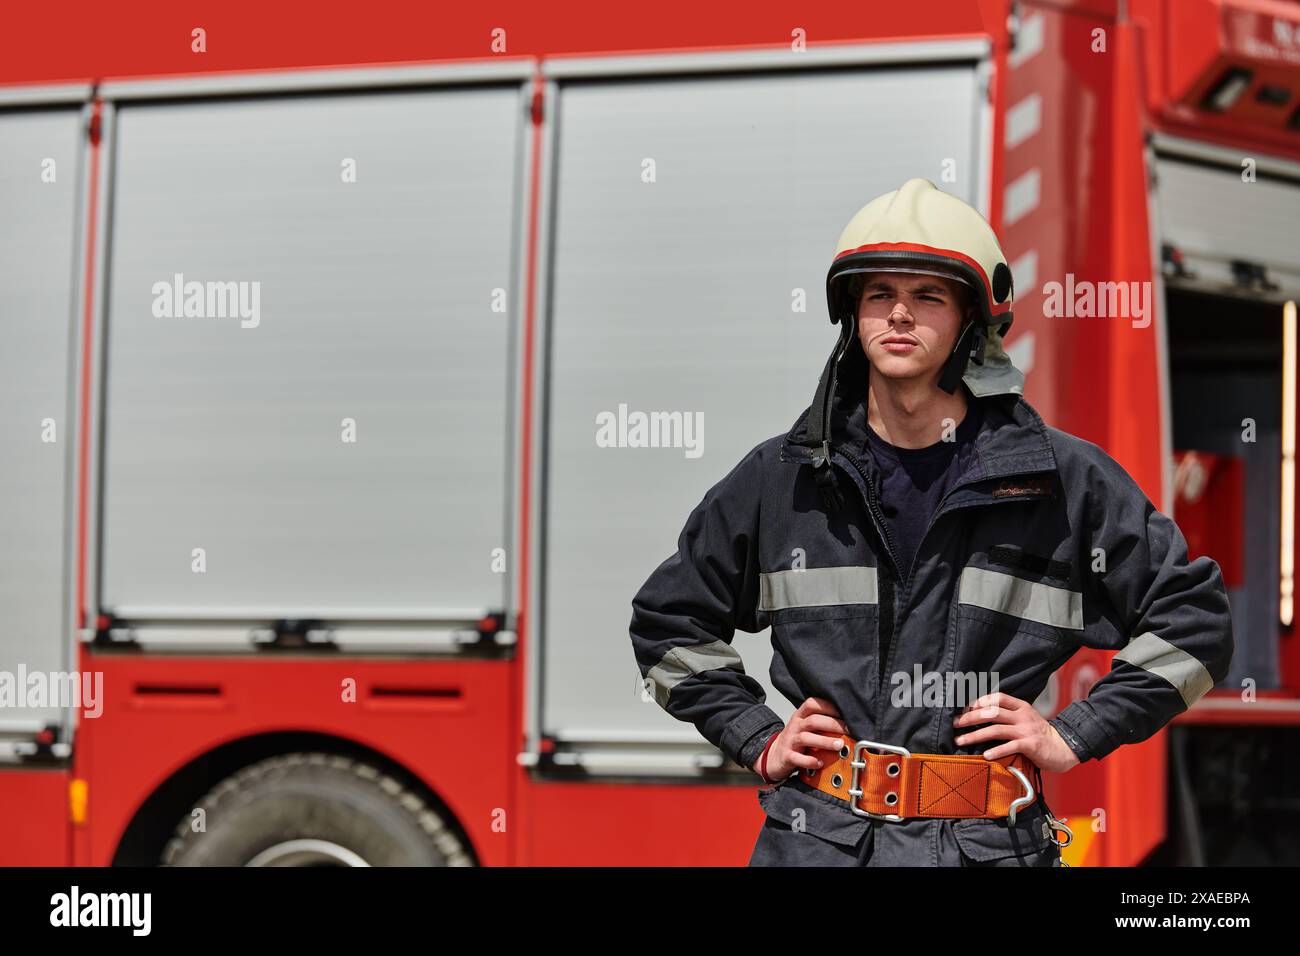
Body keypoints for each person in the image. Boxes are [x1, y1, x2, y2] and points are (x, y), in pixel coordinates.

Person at [627, 177, 1234, 866]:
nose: (899, 315)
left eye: (928, 296)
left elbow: (1195, 624)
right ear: (854, 315)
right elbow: (667, 624)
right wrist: (757, 735)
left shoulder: (1060, 484)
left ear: (972, 321)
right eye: (878, 294)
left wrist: (1073, 733)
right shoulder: (785, 479)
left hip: (984, 846)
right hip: (818, 843)